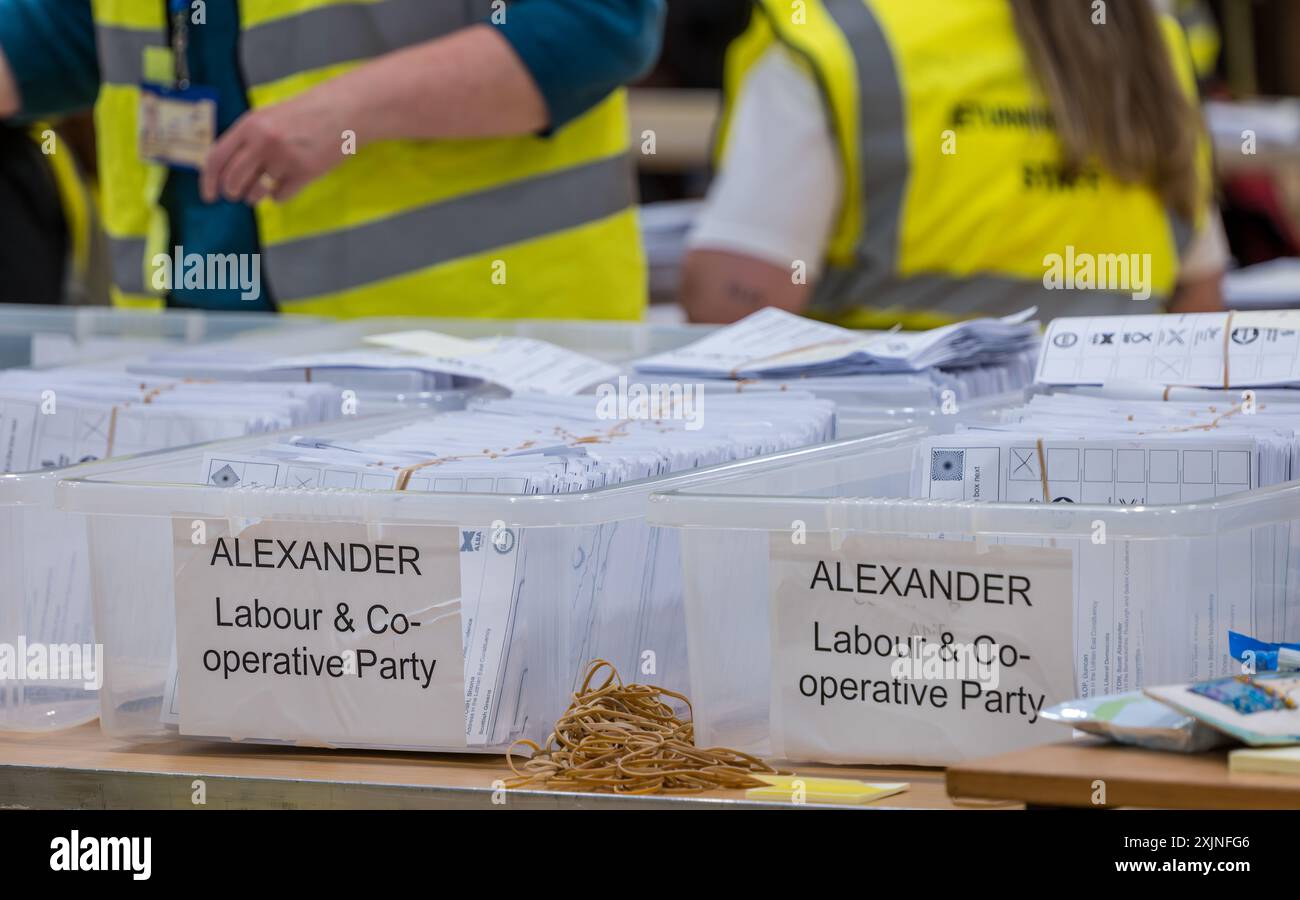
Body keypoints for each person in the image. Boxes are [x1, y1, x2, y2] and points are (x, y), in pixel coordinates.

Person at [0, 0, 663, 319]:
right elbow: (52, 35)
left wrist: (351, 112)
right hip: (191, 373)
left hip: (477, 373)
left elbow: (598, 22)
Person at [681, 0, 1228, 327]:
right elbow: (1199, 305)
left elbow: (733, 305)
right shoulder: (1151, 45)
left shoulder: (842, 37)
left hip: (883, 482)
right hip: (1113, 475)